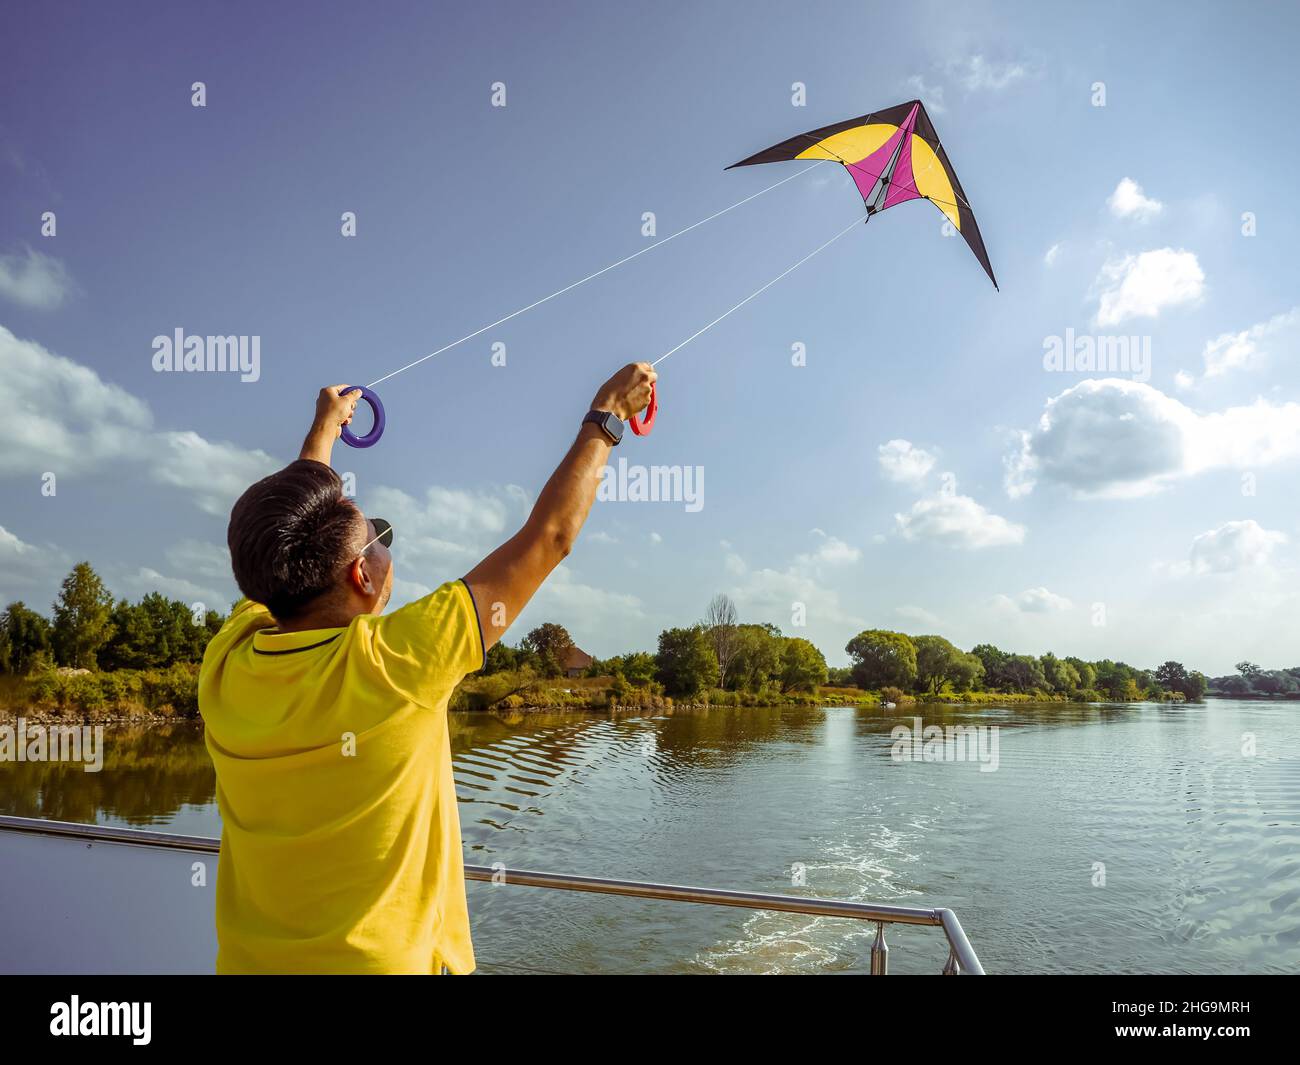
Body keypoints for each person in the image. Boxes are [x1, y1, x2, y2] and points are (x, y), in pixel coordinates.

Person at [199, 363, 656, 974]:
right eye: (379, 536)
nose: (386, 544)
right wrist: (607, 417)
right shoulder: (399, 663)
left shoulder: (227, 658)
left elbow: (280, 546)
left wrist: (323, 434)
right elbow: (549, 537)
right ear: (362, 575)